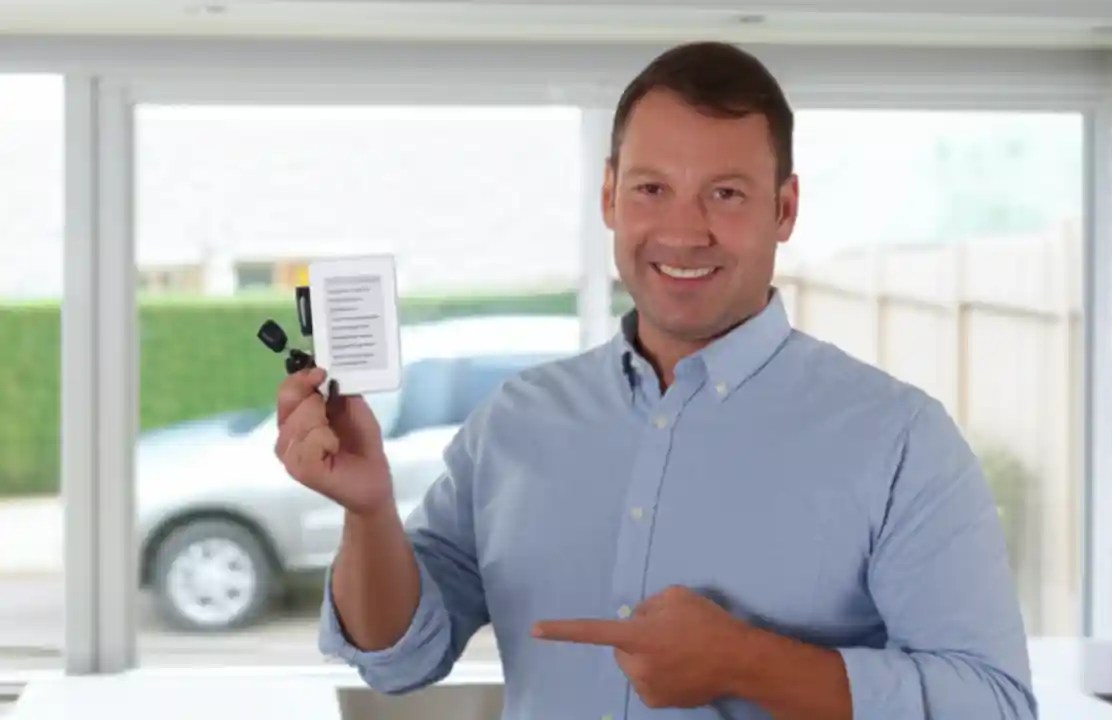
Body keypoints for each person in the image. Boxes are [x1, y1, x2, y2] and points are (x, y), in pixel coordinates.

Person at [274, 41, 1037, 720]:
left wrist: (748, 663)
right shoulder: (514, 422)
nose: (683, 230)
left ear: (785, 208)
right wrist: (367, 511)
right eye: (651, 189)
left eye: (726, 193)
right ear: (609, 196)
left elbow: (995, 704)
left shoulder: (900, 439)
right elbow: (399, 658)